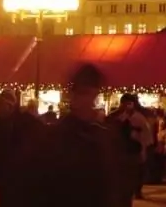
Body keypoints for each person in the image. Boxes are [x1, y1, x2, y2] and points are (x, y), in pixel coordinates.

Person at [23, 63, 123, 207]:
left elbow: (110, 183)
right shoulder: (56, 136)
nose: (84, 100)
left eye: (89, 93)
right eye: (81, 93)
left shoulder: (103, 135)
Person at [0, 89, 44, 207]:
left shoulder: (24, 123)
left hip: (18, 180)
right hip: (7, 180)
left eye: (1, 106)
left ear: (9, 106)